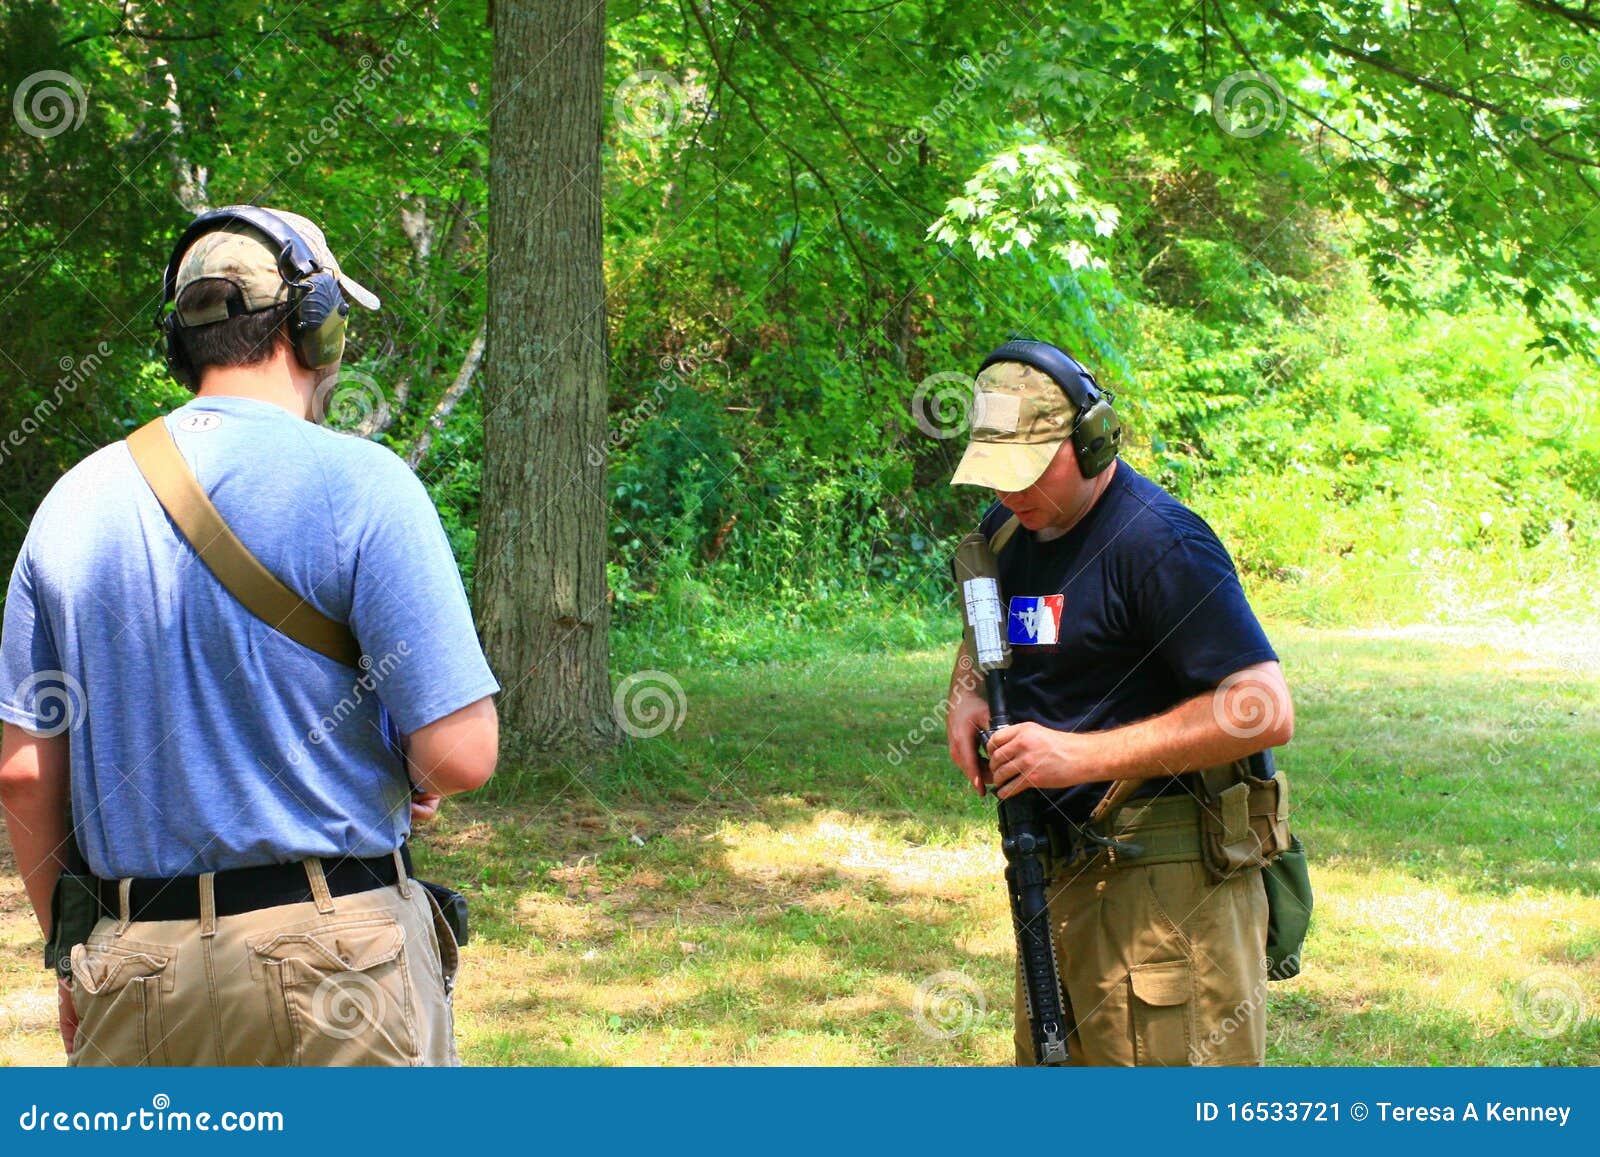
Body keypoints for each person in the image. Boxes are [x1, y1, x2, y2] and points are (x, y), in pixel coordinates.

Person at [0, 206, 500, 1066]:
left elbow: (21, 774)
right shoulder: (365, 484)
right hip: (337, 962)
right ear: (317, 329)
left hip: (133, 966)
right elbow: (460, 753)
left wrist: (74, 951)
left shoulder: (72, 503)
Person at [943, 339, 1295, 1066]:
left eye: (1029, 471)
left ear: (1091, 442)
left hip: (1166, 889)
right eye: (996, 474)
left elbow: (1262, 706)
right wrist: (967, 692)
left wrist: (1074, 753)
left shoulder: (1160, 544)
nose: (1010, 493)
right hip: (1055, 873)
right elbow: (984, 615)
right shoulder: (1007, 530)